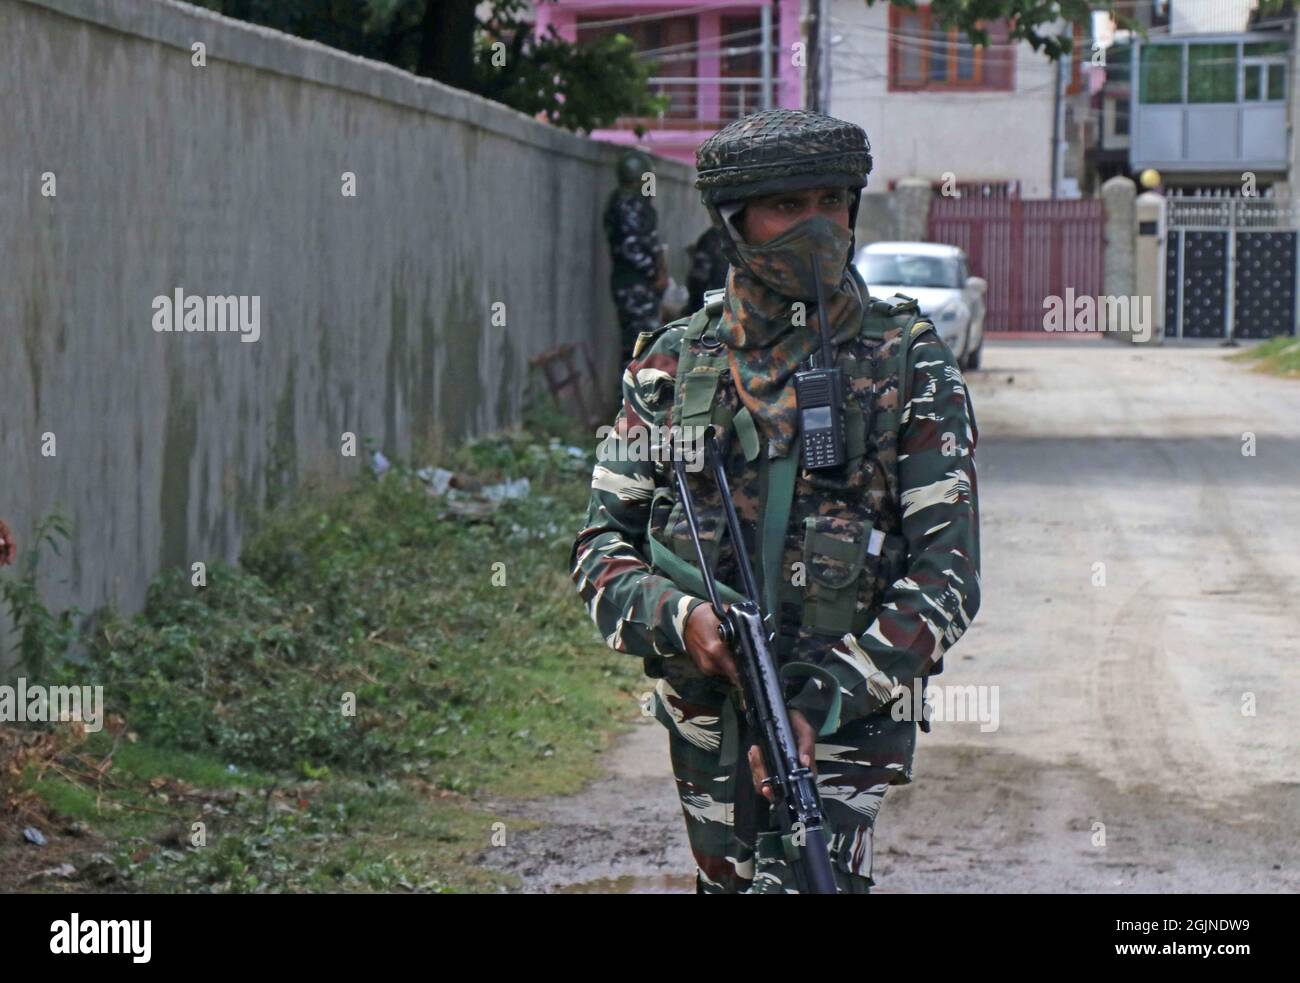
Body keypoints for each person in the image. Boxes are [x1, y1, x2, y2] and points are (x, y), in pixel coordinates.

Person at [571, 109, 980, 894]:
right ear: (736, 224)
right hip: (707, 714)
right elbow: (600, 551)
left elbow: (949, 576)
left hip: (846, 717)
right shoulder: (669, 369)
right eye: (790, 207)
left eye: (832, 202)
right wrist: (680, 618)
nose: (818, 227)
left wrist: (824, 697)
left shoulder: (907, 364)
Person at [603, 149, 667, 368]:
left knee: (643, 343)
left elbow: (649, 241)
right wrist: (654, 273)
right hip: (635, 285)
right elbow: (631, 249)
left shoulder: (634, 203)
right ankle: (632, 396)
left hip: (638, 284)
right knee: (640, 345)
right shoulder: (626, 205)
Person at [685, 226, 728, 314]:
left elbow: (696, 282)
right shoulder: (712, 239)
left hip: (714, 309)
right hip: (719, 308)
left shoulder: (712, 238)